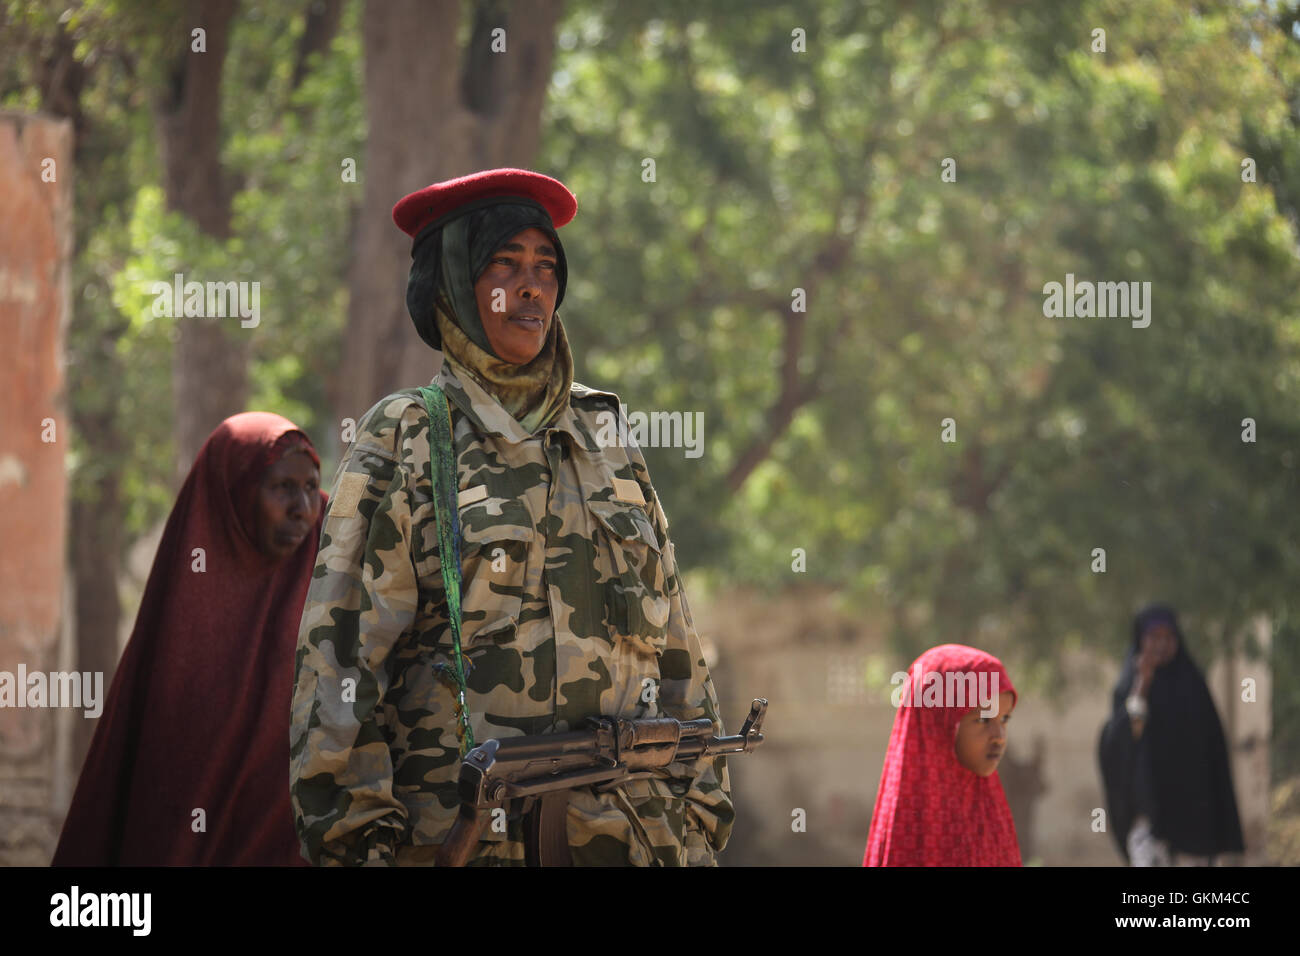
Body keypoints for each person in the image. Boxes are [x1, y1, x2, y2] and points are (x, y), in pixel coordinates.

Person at [289, 168, 733, 866]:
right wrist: (360, 849)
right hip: (465, 845)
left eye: (546, 267)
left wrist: (699, 825)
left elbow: (678, 651)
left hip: (632, 842)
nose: (531, 287)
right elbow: (340, 667)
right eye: (504, 263)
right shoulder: (406, 438)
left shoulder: (606, 435)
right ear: (454, 284)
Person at [52, 413, 325, 866]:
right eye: (281, 487)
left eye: (309, 487)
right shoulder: (188, 609)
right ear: (234, 493)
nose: (302, 506)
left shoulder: (326, 581)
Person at [1098, 604, 1244, 866]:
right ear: (1140, 640)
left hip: (1194, 822)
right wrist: (1142, 684)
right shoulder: (1128, 687)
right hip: (1149, 822)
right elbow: (1120, 744)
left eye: (1168, 637)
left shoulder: (1193, 685)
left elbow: (1213, 754)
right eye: (1154, 637)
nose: (1161, 645)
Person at [863, 644, 1021, 866]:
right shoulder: (908, 828)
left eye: (1004, 719)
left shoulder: (990, 813)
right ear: (936, 726)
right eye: (983, 720)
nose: (999, 736)